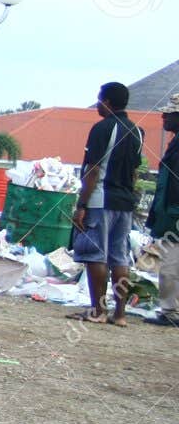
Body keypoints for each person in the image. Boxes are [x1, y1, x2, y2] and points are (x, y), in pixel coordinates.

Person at [71, 80, 143, 326]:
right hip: (125, 203)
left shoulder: (102, 128)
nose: (98, 105)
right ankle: (120, 315)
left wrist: (82, 205)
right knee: (120, 257)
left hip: (101, 200)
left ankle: (98, 311)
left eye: (100, 99)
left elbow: (93, 169)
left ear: (108, 102)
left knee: (95, 256)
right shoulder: (137, 132)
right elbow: (134, 172)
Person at [145, 93, 179, 328]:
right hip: (170, 215)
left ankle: (170, 312)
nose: (163, 117)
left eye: (168, 114)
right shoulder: (174, 144)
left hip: (174, 218)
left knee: (169, 269)